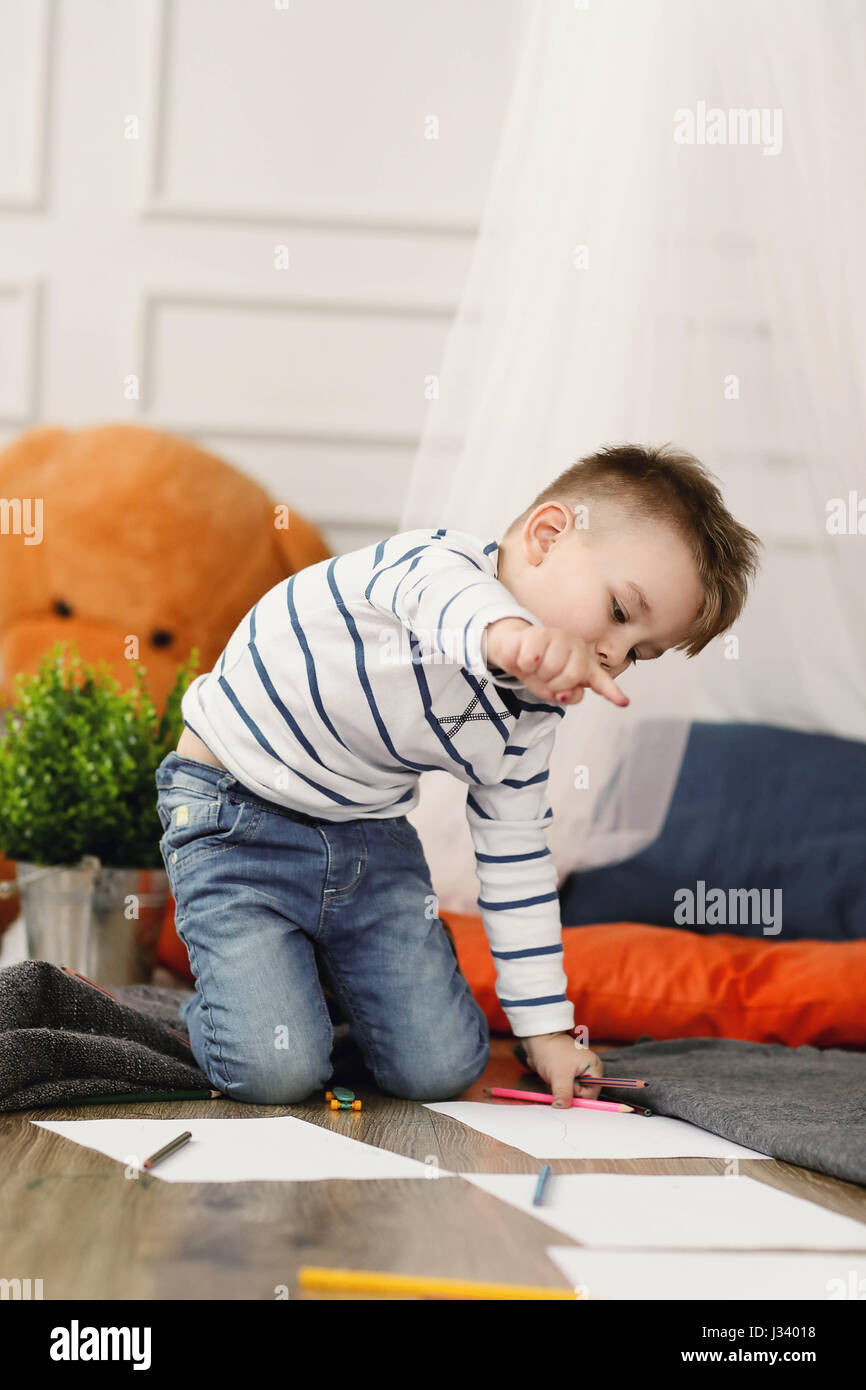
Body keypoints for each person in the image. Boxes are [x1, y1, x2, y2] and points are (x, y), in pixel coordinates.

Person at [155, 443, 760, 1107]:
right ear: (547, 536)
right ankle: (234, 1008)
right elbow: (456, 612)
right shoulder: (430, 565)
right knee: (276, 1074)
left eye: (640, 652)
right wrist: (510, 639)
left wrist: (546, 1031)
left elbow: (518, 862)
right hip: (236, 818)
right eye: (619, 612)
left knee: (443, 1068)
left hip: (367, 840)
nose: (615, 654)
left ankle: (310, 992)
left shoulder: (532, 716)